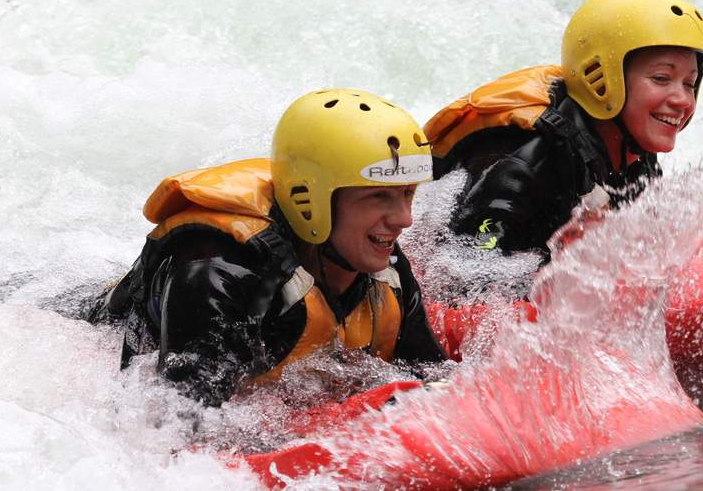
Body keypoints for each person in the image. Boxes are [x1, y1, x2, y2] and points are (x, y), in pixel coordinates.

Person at [88, 89, 447, 406]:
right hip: (77, 334)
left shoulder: (387, 271)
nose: (404, 219)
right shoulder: (216, 274)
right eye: (379, 196)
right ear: (312, 199)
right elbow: (180, 431)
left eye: (407, 193)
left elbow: (433, 377)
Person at [424, 0, 703, 259]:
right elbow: (460, 280)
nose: (682, 100)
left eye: (689, 83)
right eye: (661, 79)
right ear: (602, 78)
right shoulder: (527, 166)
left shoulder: (632, 148)